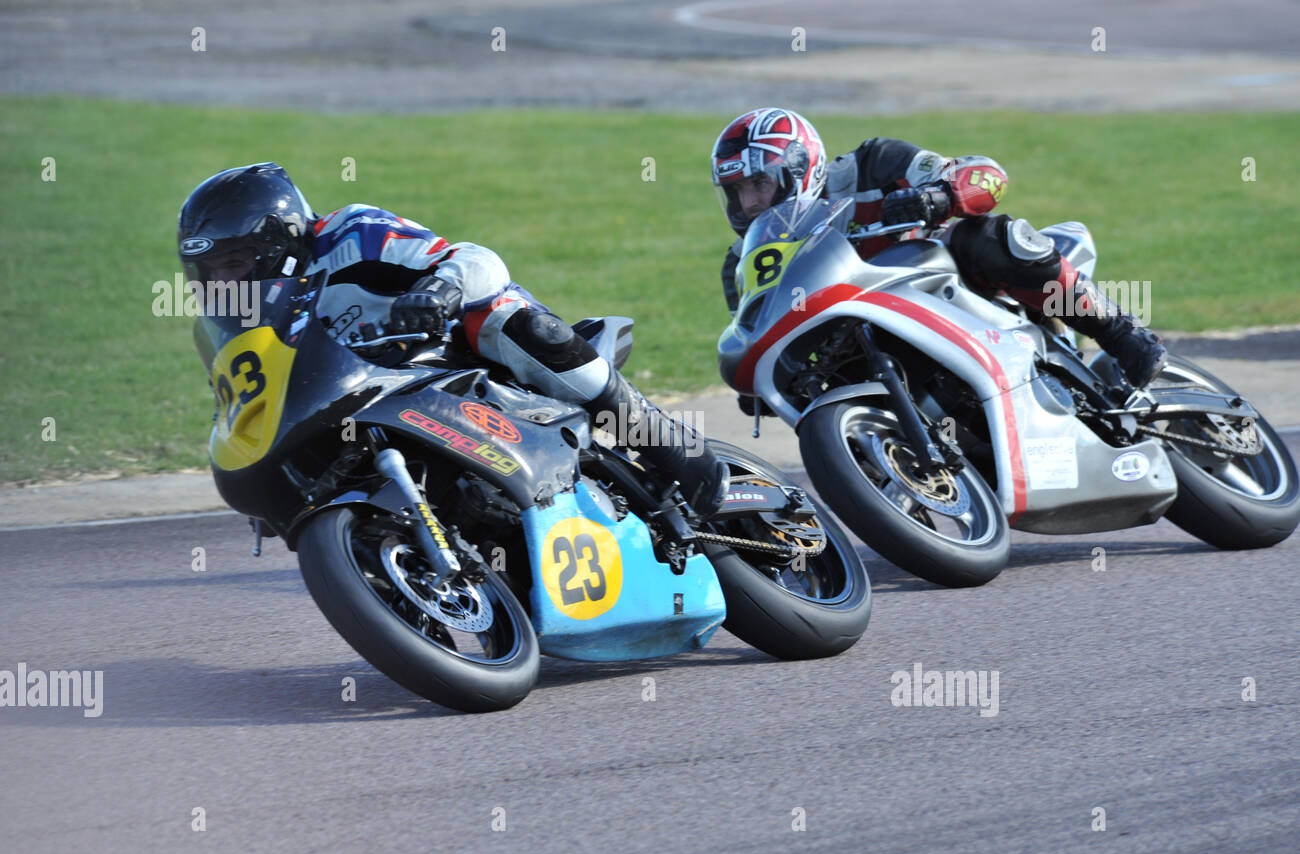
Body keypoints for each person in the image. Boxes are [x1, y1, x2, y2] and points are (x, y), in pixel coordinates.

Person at [176, 162, 726, 515]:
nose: (223, 284)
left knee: (509, 319)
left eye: (235, 263)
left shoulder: (351, 233)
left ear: (280, 240)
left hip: (456, 360)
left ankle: (669, 444)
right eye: (210, 274)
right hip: (375, 405)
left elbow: (474, 259)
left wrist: (439, 290)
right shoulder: (249, 324)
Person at [709, 108, 1166, 393]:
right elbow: (754, 330)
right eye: (736, 191)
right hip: (868, 342)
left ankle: (1123, 334)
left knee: (986, 236)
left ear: (799, 167)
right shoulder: (744, 259)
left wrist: (938, 196)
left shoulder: (871, 164)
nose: (749, 202)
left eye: (759, 183)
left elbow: (986, 174)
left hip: (949, 292)